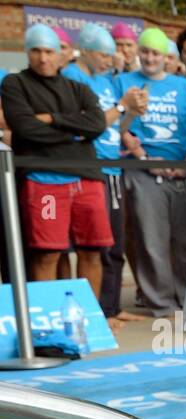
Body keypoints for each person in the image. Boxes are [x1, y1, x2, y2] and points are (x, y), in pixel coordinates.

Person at [1, 25, 111, 294]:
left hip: (87, 180)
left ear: (61, 54)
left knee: (92, 250)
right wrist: (75, 133)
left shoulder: (78, 88)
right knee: (47, 254)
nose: (43, 58)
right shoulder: (15, 84)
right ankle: (44, 323)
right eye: (36, 51)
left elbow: (97, 124)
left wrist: (52, 120)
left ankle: (89, 322)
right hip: (45, 183)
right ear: (28, 52)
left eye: (49, 51)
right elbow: (25, 128)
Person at [63, 24, 148, 327]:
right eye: (103, 54)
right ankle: (95, 310)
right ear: (85, 49)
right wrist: (122, 105)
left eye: (111, 55)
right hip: (91, 168)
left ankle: (110, 307)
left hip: (113, 167)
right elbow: (91, 125)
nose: (109, 60)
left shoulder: (106, 82)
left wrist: (131, 114)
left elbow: (115, 128)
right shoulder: (72, 78)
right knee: (95, 245)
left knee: (114, 243)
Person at [118, 28, 186, 316]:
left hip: (184, 170)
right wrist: (144, 157)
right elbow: (118, 129)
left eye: (156, 52)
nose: (149, 57)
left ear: (167, 56)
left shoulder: (184, 86)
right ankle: (161, 302)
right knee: (151, 240)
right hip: (143, 171)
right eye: (145, 51)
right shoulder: (124, 82)